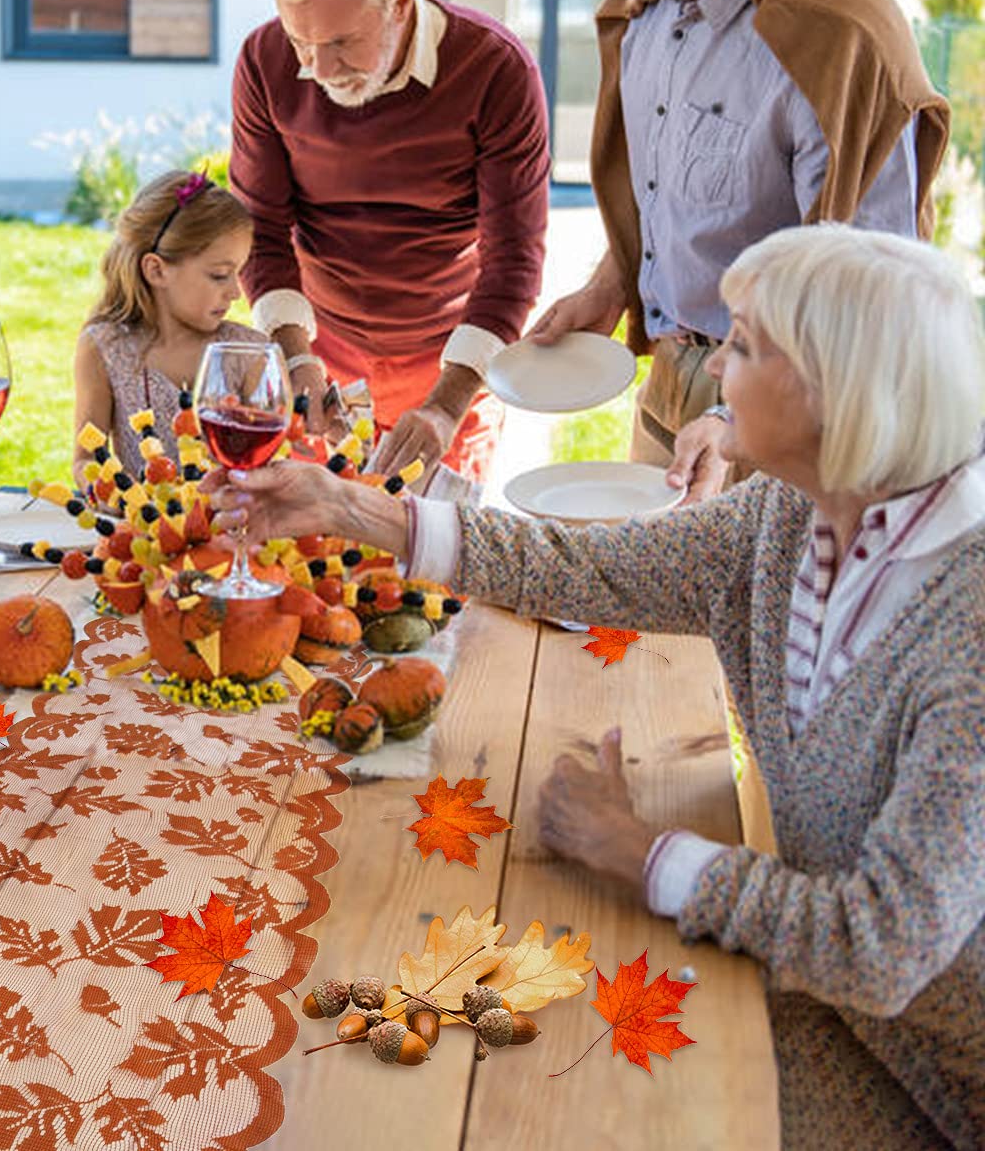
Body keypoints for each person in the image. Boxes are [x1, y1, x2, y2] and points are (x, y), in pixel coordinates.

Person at [211, 224, 984, 1148]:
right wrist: (351, 507)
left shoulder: (965, 624)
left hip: (925, 1073)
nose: (710, 375)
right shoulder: (792, 509)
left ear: (834, 392)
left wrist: (641, 852)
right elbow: (591, 569)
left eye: (740, 346)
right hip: (807, 984)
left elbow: (880, 949)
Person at [527, 0, 949, 502]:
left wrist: (731, 418)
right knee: (635, 622)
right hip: (668, 389)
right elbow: (671, 189)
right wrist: (611, 283)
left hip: (786, 425)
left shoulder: (837, 41)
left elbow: (867, 297)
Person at [230, 0, 550, 487]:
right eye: (302, 42)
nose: (319, 70)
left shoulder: (496, 69)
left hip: (452, 361)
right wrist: (296, 357)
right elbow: (263, 231)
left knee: (434, 560)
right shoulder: (263, 60)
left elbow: (513, 263)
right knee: (314, 557)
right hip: (320, 355)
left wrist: (446, 406)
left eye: (343, 43)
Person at [73, 169, 267, 483]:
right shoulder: (104, 349)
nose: (235, 292)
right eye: (219, 275)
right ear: (157, 271)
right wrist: (112, 492)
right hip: (140, 529)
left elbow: (268, 468)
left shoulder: (251, 355)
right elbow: (85, 461)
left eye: (238, 273)